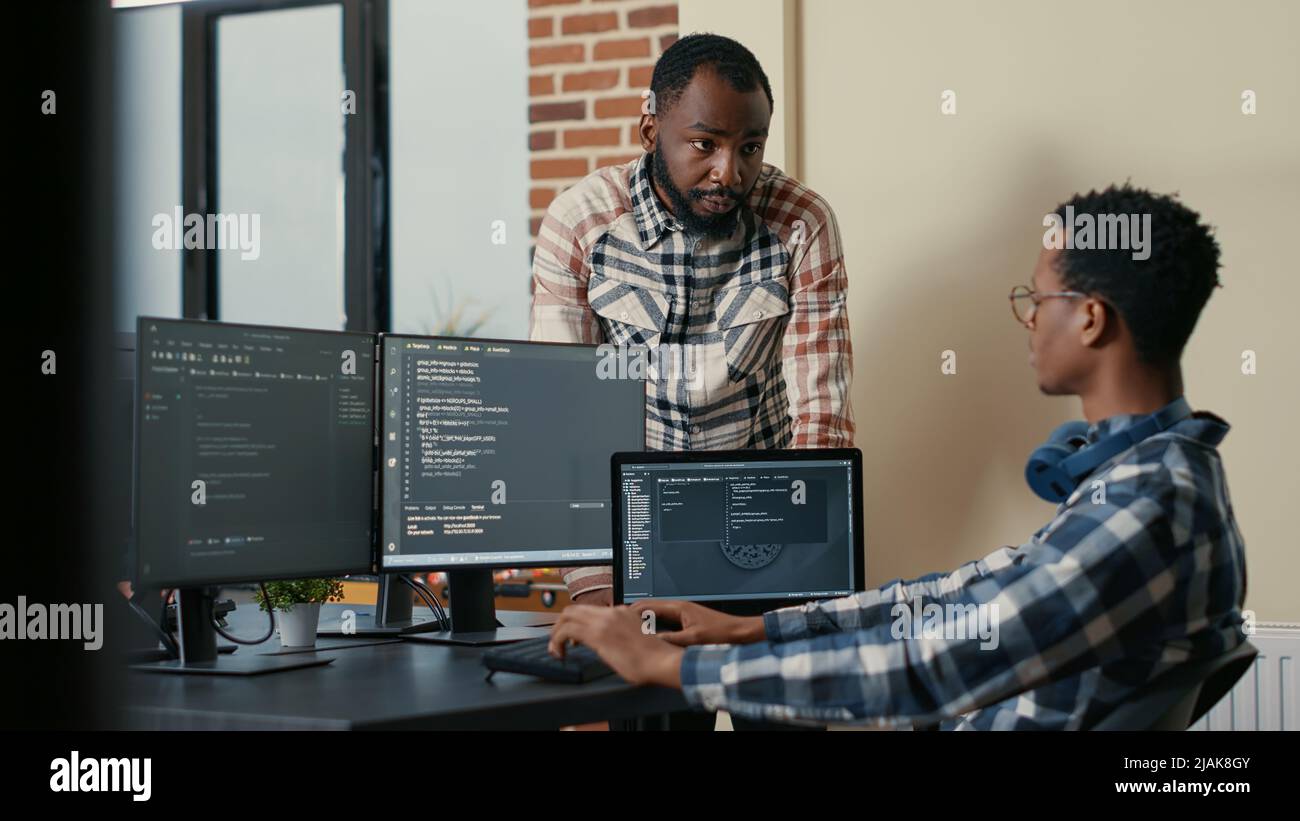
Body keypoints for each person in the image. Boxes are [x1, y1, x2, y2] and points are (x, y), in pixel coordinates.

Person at [548, 184, 1247, 730]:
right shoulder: (1155, 473)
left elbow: (927, 668)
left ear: (1091, 318)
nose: (1029, 316)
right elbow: (966, 598)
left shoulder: (1144, 509)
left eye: (1038, 297)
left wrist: (677, 667)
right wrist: (753, 626)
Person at [529, 33, 854, 607]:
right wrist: (593, 585)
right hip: (632, 537)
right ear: (651, 129)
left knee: (780, 690)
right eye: (705, 144)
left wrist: (806, 573)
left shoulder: (802, 222)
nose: (729, 172)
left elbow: (821, 416)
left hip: (765, 524)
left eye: (750, 148)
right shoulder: (581, 223)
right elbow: (563, 423)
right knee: (633, 691)